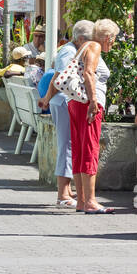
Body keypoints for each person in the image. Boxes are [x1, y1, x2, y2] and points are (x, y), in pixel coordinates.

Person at [71, 19, 120, 214]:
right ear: (107, 37)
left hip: (76, 103)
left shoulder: (84, 46)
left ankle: (82, 200)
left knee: (80, 150)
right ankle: (90, 201)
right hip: (88, 104)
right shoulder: (95, 46)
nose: (114, 43)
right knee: (90, 149)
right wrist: (93, 102)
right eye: (114, 39)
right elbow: (89, 73)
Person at [40, 25, 87, 208]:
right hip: (63, 102)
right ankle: (63, 194)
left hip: (62, 101)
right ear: (81, 38)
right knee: (66, 146)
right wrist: (47, 98)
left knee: (68, 145)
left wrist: (47, 99)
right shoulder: (69, 51)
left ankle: (66, 191)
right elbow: (60, 78)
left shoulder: (69, 50)